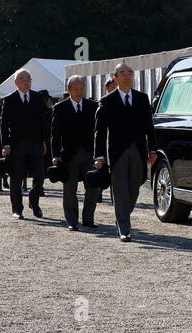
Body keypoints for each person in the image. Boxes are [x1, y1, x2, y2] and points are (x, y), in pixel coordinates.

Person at [93, 64, 157, 243]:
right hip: (117, 152)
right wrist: (99, 156)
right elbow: (100, 131)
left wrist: (152, 149)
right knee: (120, 188)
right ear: (115, 78)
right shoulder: (107, 101)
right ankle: (124, 227)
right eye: (122, 73)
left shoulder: (142, 98)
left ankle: (122, 214)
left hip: (138, 150)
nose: (127, 76)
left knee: (135, 187)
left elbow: (149, 127)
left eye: (130, 72)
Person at [0, 70, 50, 219]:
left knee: (40, 176)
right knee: (16, 177)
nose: (26, 81)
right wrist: (6, 144)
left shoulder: (38, 97)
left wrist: (44, 141)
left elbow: (43, 121)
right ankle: (17, 208)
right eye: (22, 79)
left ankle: (34, 203)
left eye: (28, 78)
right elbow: (3, 124)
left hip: (35, 144)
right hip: (16, 145)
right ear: (16, 82)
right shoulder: (9, 99)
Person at [52, 77, 100, 231]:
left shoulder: (93, 106)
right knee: (70, 188)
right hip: (69, 154)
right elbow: (55, 134)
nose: (79, 92)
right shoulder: (60, 108)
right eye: (76, 89)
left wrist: (99, 154)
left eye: (82, 89)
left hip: (88, 153)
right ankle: (72, 220)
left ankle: (88, 219)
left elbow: (99, 131)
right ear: (69, 89)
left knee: (93, 185)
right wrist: (56, 155)